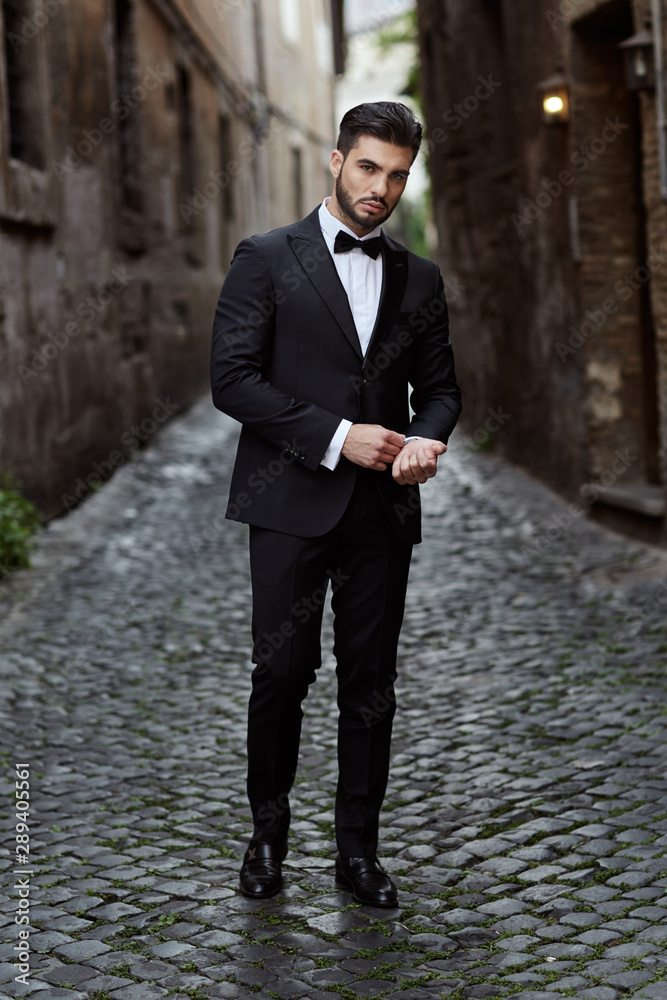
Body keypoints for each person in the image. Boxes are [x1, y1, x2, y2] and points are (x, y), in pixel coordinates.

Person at [210, 101, 461, 908]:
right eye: (367, 167)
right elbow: (233, 381)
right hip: (286, 502)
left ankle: (358, 852)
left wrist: (424, 439)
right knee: (281, 673)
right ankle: (267, 836)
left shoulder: (418, 277)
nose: (379, 188)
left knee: (370, 684)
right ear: (335, 161)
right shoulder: (264, 257)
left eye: (396, 175)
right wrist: (339, 435)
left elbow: (441, 391)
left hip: (380, 514)